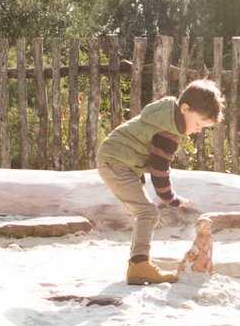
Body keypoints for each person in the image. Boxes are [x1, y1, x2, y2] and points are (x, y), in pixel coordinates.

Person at [94, 78, 222, 285]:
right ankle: (139, 266)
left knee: (145, 212)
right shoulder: (167, 132)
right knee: (147, 212)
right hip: (115, 162)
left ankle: (139, 262)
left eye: (202, 127)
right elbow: (160, 171)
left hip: (117, 159)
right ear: (184, 108)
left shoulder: (165, 117)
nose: (198, 130)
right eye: (198, 123)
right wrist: (171, 199)